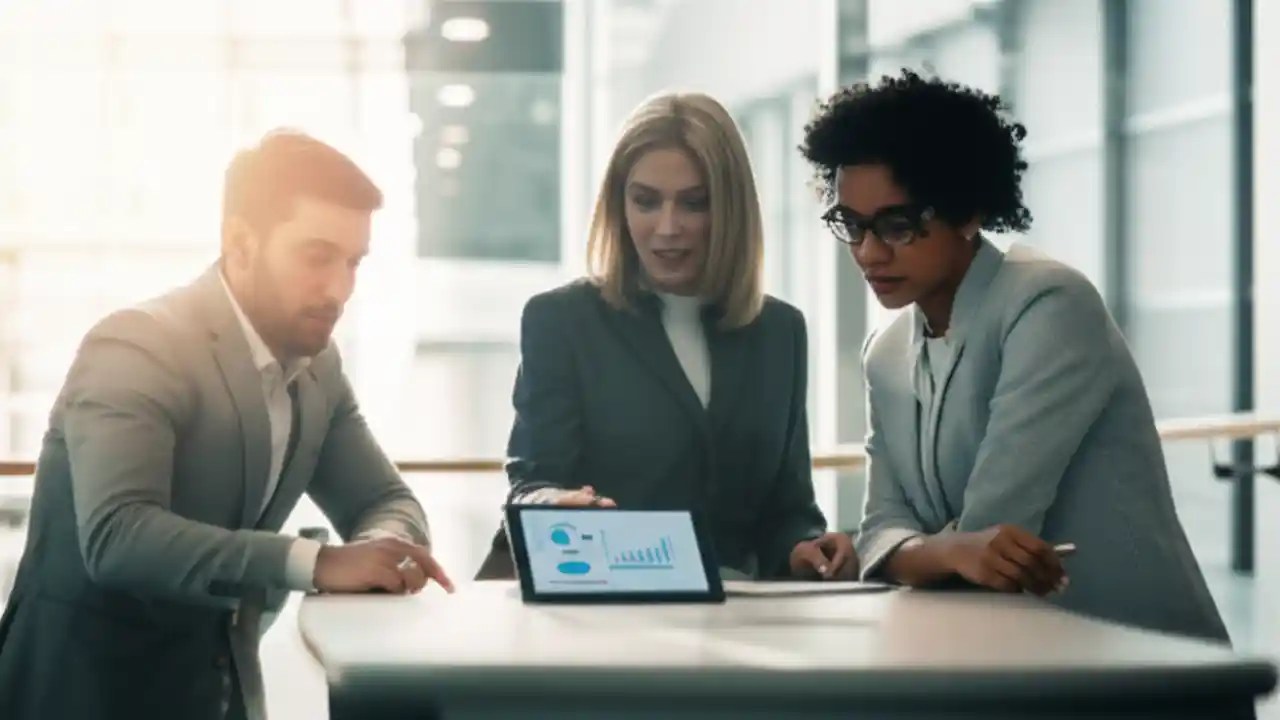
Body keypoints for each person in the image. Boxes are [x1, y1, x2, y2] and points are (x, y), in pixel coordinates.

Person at [0, 130, 454, 720]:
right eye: (317, 258)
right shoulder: (137, 345)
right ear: (240, 244)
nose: (340, 290)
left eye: (353, 263)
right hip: (81, 696)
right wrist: (317, 564)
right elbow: (119, 537)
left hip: (219, 696)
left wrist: (376, 552)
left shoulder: (317, 366)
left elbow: (385, 499)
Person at [799, 70, 1228, 642]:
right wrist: (948, 550)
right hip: (997, 660)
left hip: (1136, 667)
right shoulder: (887, 351)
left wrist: (931, 549)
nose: (868, 252)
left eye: (897, 225)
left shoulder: (1048, 304)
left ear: (968, 211)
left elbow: (996, 531)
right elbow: (880, 533)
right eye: (851, 225)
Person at [475, 92, 855, 582]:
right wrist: (558, 504)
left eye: (694, 204)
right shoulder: (562, 321)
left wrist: (807, 549)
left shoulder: (781, 332)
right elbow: (531, 484)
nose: (668, 228)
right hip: (608, 610)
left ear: (731, 209)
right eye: (646, 201)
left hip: (747, 625)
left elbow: (788, 511)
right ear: (619, 204)